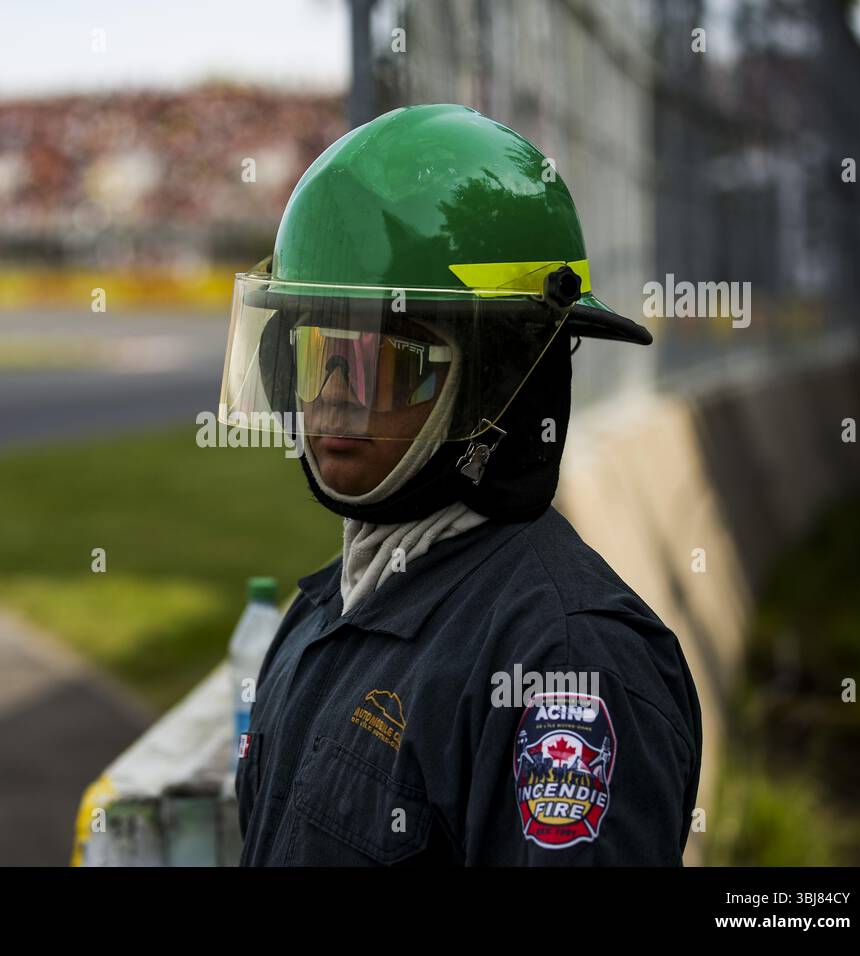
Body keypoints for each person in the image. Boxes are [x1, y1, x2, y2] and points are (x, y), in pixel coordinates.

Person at [223, 104, 702, 865]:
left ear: (501, 382)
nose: (336, 396)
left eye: (387, 362)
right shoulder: (318, 616)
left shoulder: (567, 665)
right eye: (318, 354)